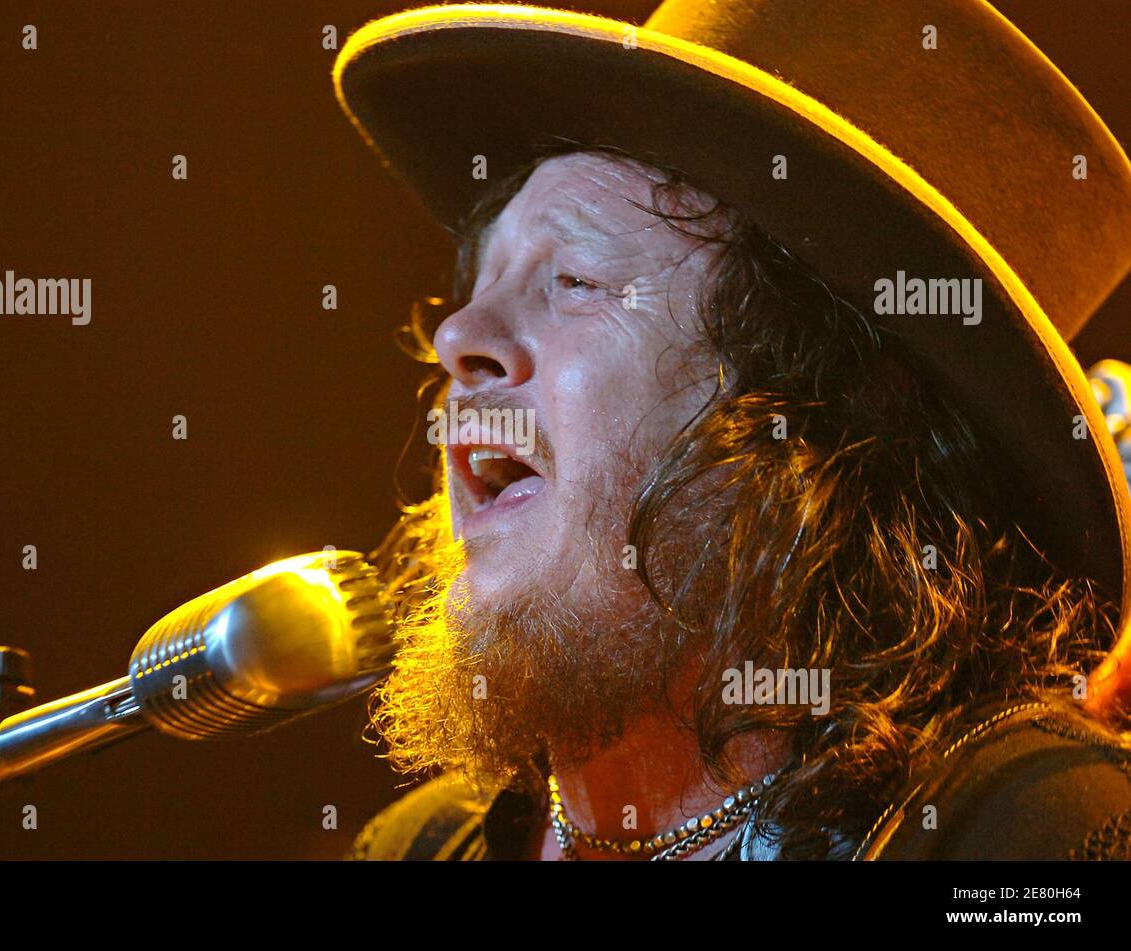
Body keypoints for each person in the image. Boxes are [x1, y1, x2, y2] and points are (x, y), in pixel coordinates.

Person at [332, 0, 1131, 860]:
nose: (460, 338)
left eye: (573, 279)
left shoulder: (1037, 843)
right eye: (481, 279)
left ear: (820, 422)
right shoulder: (418, 846)